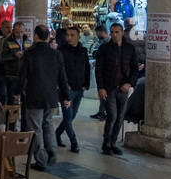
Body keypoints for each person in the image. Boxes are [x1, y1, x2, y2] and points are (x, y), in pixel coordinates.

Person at [16, 25, 70, 170]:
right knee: (48, 124)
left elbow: (22, 75)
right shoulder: (56, 54)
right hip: (51, 96)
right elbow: (62, 77)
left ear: (35, 36)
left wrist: (17, 91)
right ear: (48, 37)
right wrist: (66, 96)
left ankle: (41, 160)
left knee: (35, 127)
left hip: (34, 95)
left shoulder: (29, 53)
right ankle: (52, 153)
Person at [96, 22, 139, 155]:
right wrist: (101, 87)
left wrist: (129, 83)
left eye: (117, 32)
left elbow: (134, 69)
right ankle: (106, 143)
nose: (114, 35)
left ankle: (113, 142)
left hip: (123, 88)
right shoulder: (104, 49)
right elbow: (99, 70)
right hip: (109, 87)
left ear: (122, 33)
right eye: (112, 32)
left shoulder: (129, 48)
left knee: (120, 116)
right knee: (112, 115)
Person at [56, 22, 92, 153]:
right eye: (67, 35)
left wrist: (85, 84)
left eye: (72, 35)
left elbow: (86, 68)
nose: (69, 37)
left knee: (72, 116)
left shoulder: (82, 51)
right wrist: (64, 86)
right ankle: (74, 142)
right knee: (67, 116)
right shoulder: (61, 51)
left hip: (79, 88)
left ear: (78, 36)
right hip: (67, 90)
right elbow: (59, 71)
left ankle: (56, 134)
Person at [0, 20, 27, 104]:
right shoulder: (7, 41)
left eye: (21, 32)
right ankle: (11, 117)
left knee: (25, 100)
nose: (20, 34)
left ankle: (23, 117)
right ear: (13, 30)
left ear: (24, 31)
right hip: (11, 75)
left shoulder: (27, 40)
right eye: (17, 32)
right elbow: (2, 57)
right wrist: (14, 56)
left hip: (24, 75)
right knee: (12, 100)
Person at [91, 23, 110, 120]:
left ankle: (105, 112)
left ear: (102, 32)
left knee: (105, 93)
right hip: (102, 71)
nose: (97, 35)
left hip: (107, 72)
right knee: (102, 92)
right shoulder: (103, 41)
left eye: (97, 33)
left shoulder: (108, 42)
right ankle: (101, 111)